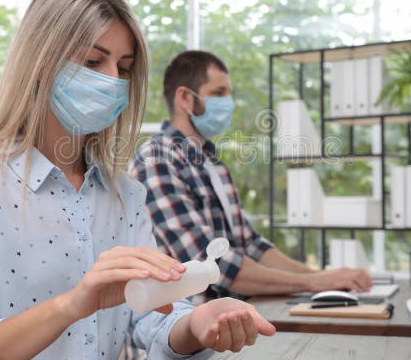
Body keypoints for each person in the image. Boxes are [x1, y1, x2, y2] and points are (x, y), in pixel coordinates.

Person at [0, 0, 275, 360]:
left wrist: (198, 323)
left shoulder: (125, 195)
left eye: (123, 67)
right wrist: (72, 305)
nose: (112, 81)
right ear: (40, 63)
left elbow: (149, 320)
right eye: (92, 61)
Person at [129, 51, 373, 307]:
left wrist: (324, 278)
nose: (229, 103)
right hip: (189, 329)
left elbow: (252, 245)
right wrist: (314, 283)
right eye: (219, 92)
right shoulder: (157, 160)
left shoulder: (213, 164)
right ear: (185, 98)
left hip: (234, 319)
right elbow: (213, 265)